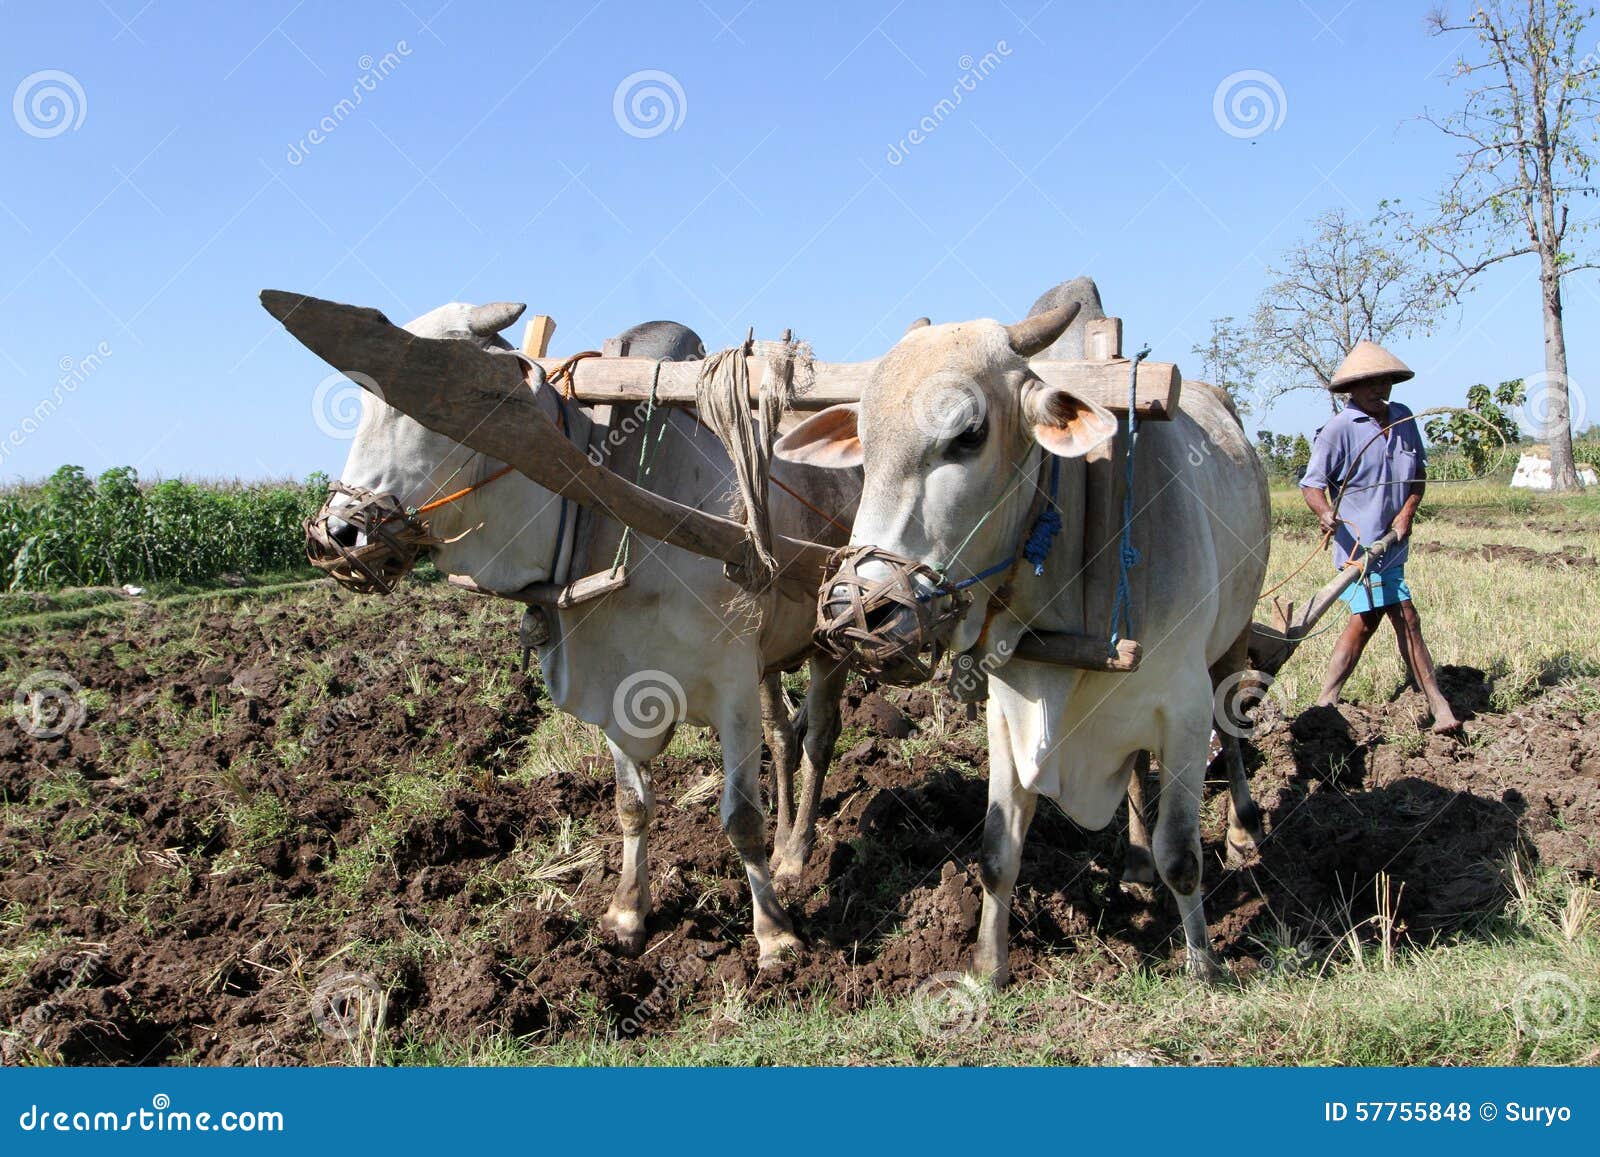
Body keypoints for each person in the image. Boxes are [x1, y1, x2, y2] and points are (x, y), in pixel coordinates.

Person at [1299, 340, 1462, 734]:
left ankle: (1326, 700)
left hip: (1393, 543)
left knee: (1369, 619)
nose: (1378, 389)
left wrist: (1406, 515)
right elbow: (1311, 484)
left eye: (1384, 381)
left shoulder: (1404, 418)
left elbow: (1417, 475)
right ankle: (1437, 703)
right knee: (1404, 616)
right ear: (1352, 388)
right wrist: (1325, 513)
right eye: (1369, 383)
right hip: (1358, 548)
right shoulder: (1339, 430)